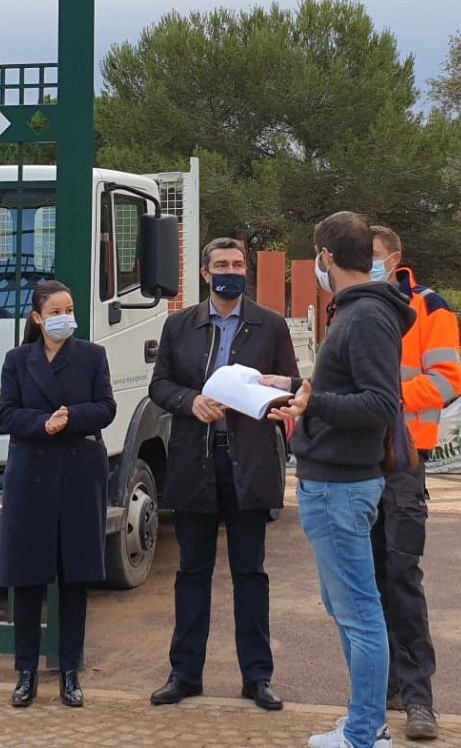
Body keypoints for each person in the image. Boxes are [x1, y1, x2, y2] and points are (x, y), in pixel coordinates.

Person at [267, 211, 412, 748]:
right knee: (347, 608)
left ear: (325, 257)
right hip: (332, 482)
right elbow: (346, 386)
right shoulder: (358, 311)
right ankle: (363, 727)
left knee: (359, 613)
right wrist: (291, 384)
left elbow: (378, 403)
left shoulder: (367, 316)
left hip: (340, 486)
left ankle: (364, 733)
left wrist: (313, 403)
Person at [148, 237, 301, 711]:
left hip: (250, 464)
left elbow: (290, 385)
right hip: (196, 462)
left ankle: (257, 677)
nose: (230, 270)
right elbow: (160, 385)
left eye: (237, 264)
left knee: (250, 573)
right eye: (221, 265)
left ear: (246, 271)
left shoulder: (270, 325)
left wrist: (274, 399)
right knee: (192, 571)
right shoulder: (180, 325)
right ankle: (184, 674)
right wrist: (189, 402)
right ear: (204, 274)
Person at [0, 279, 117, 709]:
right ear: (37, 318)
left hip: (79, 476)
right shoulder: (17, 360)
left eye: (69, 308)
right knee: (28, 579)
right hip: (31, 477)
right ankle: (26, 672)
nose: (64, 317)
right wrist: (41, 424)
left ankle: (70, 671)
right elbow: (6, 413)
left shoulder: (91, 356)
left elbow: (106, 407)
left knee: (74, 578)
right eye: (55, 311)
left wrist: (70, 418)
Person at [367, 225, 461, 741]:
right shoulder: (347, 305)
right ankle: (380, 689)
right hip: (356, 460)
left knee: (401, 578)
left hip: (402, 460)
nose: (366, 264)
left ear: (395, 258)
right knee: (368, 581)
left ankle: (417, 697)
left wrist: (384, 396)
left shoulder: (431, 307)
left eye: (373, 256)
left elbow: (447, 380)